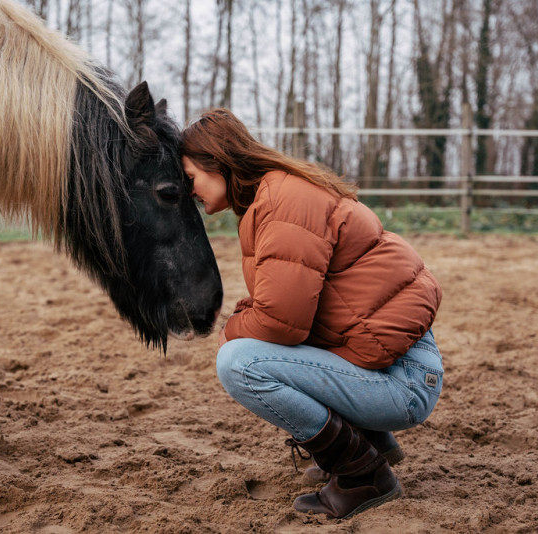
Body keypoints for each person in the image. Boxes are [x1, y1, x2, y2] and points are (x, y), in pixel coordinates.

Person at [181, 108, 444, 520]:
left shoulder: (282, 203)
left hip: (404, 382)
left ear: (218, 162)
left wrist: (230, 330)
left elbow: (280, 321)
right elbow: (290, 306)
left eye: (190, 177)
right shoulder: (275, 196)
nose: (189, 190)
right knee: (251, 346)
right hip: (399, 365)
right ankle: (370, 441)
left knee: (239, 362)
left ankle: (362, 475)